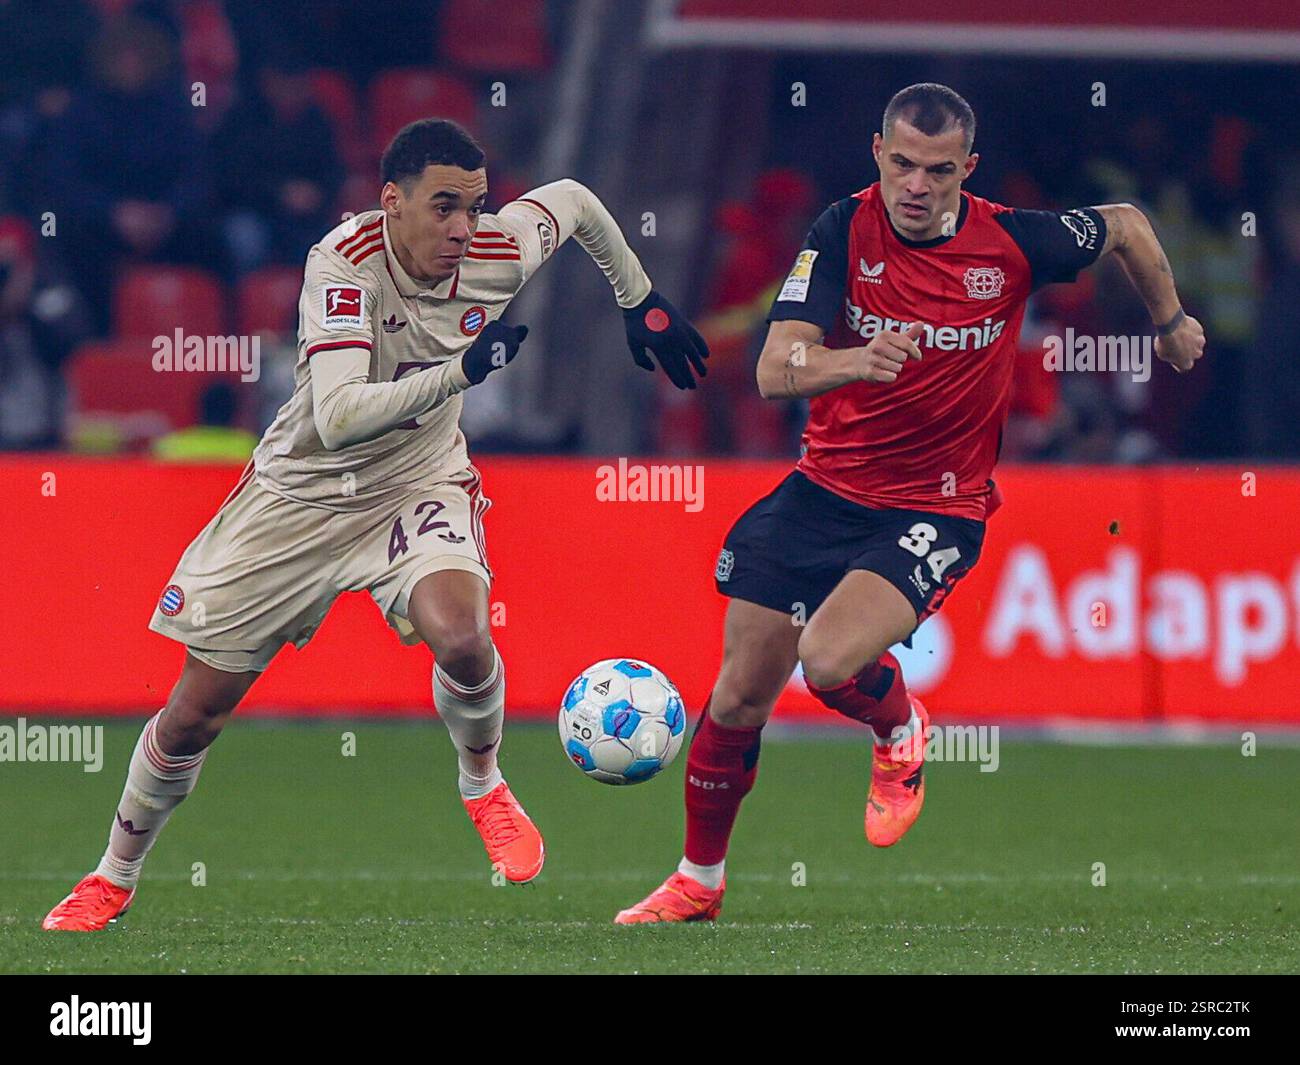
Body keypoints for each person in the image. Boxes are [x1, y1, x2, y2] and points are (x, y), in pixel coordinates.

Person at [43, 118, 709, 931]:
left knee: (463, 635)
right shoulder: (343, 264)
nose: (464, 228)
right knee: (195, 711)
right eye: (443, 207)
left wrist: (637, 297)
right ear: (391, 202)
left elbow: (572, 203)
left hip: (414, 480)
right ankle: (114, 874)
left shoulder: (496, 250)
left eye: (475, 205)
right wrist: (460, 371)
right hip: (300, 495)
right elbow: (341, 413)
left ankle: (483, 783)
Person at [616, 83, 1204, 924]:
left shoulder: (1013, 241)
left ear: (968, 168)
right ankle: (697, 883)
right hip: (822, 490)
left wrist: (1171, 319)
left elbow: (1129, 227)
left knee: (825, 663)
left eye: (937, 170)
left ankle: (898, 729)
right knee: (739, 695)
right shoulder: (840, 231)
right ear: (877, 155)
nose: (916, 185)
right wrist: (854, 361)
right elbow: (772, 368)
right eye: (901, 164)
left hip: (936, 505)